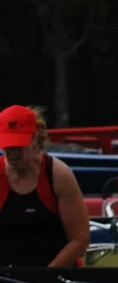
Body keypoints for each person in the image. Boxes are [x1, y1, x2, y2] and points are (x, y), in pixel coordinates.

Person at [0, 105, 87, 267]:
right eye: (7, 145)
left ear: (34, 139)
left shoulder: (58, 175)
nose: (12, 152)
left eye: (18, 146)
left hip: (55, 278)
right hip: (8, 280)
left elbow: (80, 239)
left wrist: (44, 278)